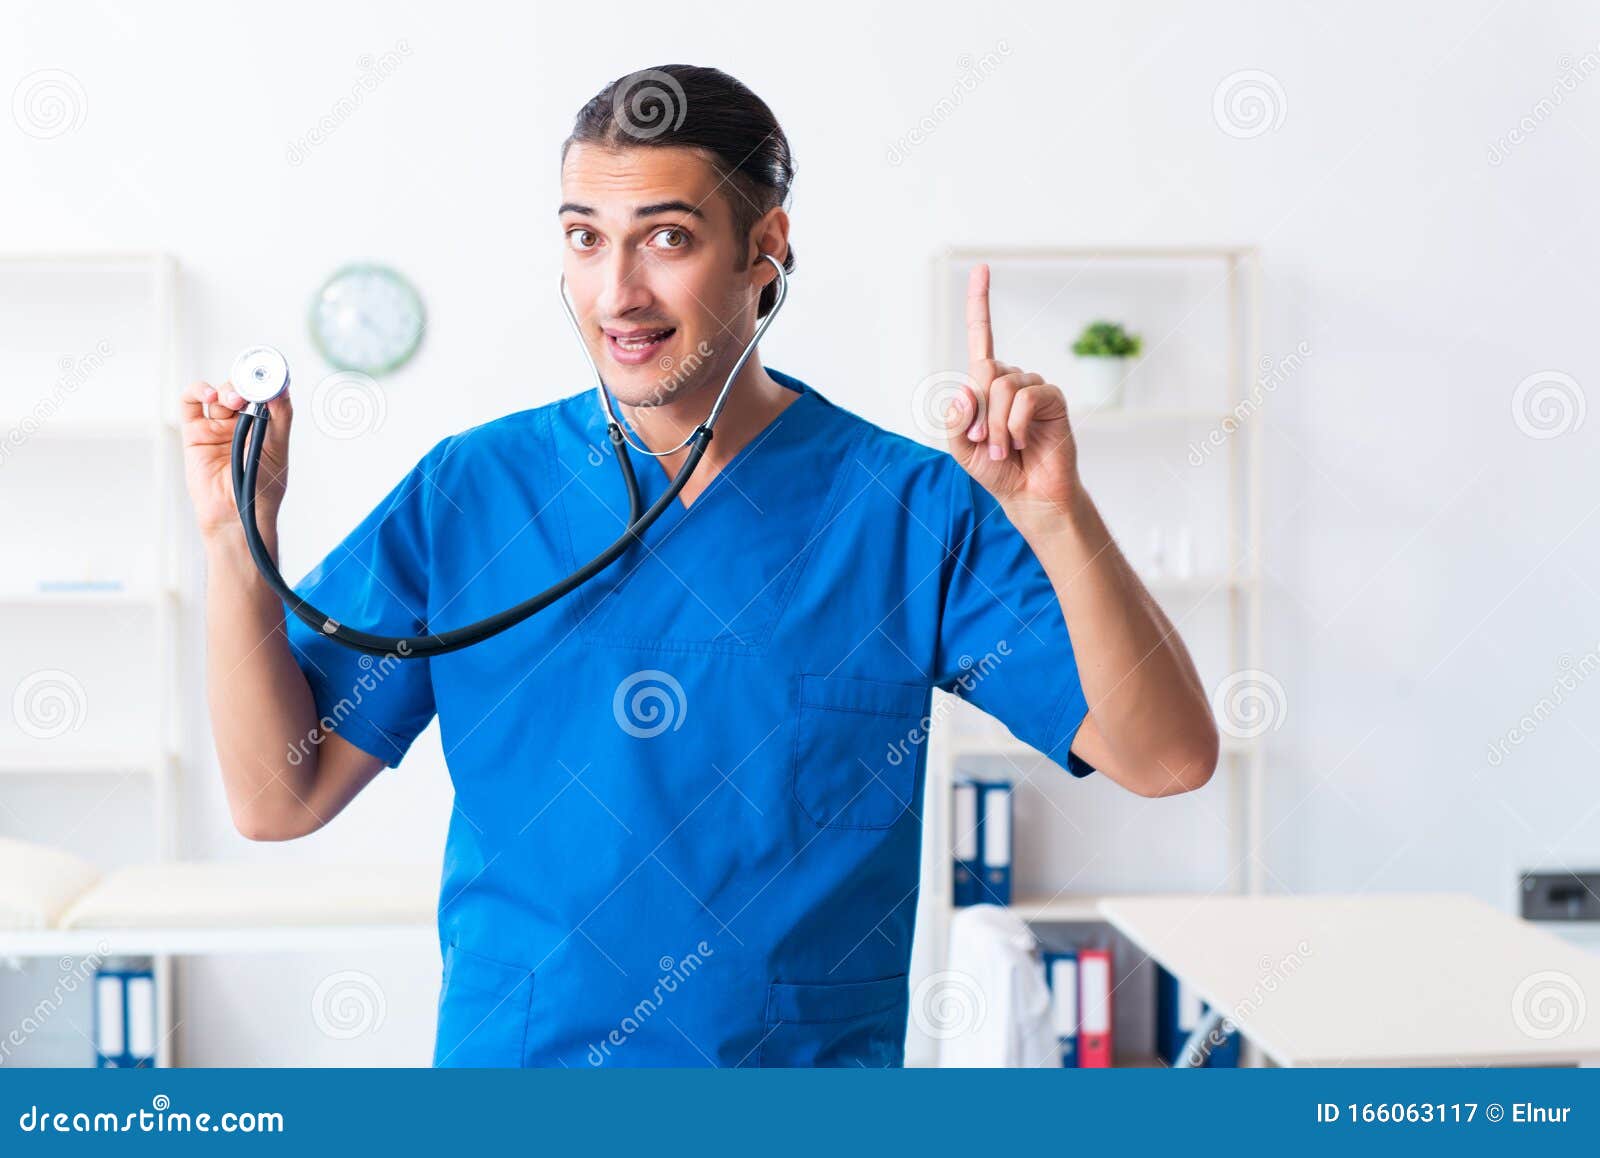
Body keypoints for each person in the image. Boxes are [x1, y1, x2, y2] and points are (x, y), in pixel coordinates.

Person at [180, 64, 1217, 1068]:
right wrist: (236, 539)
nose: (616, 292)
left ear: (764, 249)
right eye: (585, 239)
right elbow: (280, 800)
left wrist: (1056, 516)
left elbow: (1165, 758)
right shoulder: (473, 494)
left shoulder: (906, 506)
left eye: (665, 238)